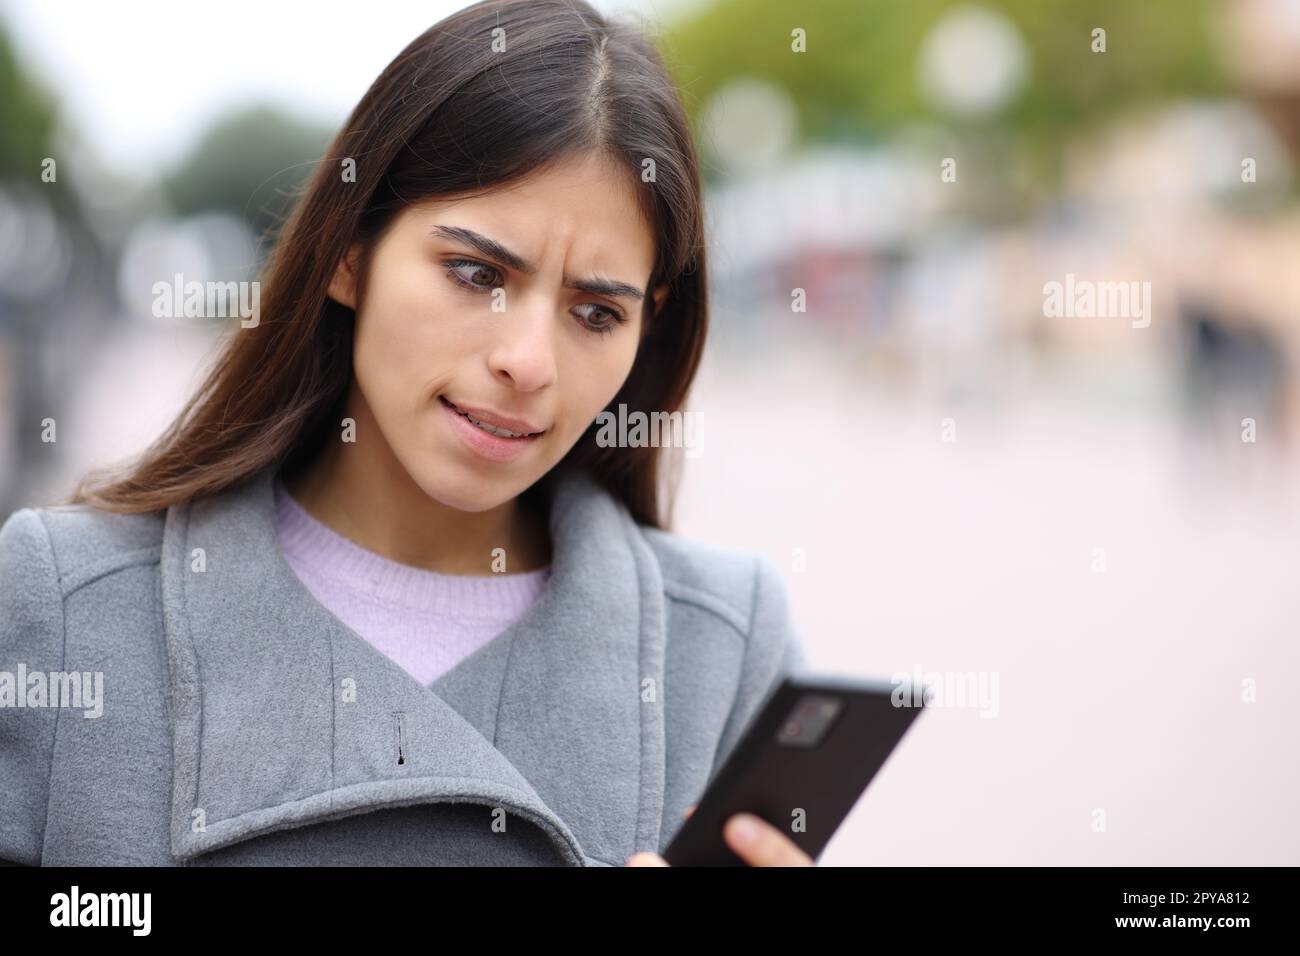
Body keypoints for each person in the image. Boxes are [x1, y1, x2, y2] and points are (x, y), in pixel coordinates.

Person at [0, 0, 812, 867]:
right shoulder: (66, 608)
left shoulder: (723, 647)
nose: (528, 360)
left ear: (647, 326)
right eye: (476, 272)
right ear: (350, 254)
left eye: (594, 311)